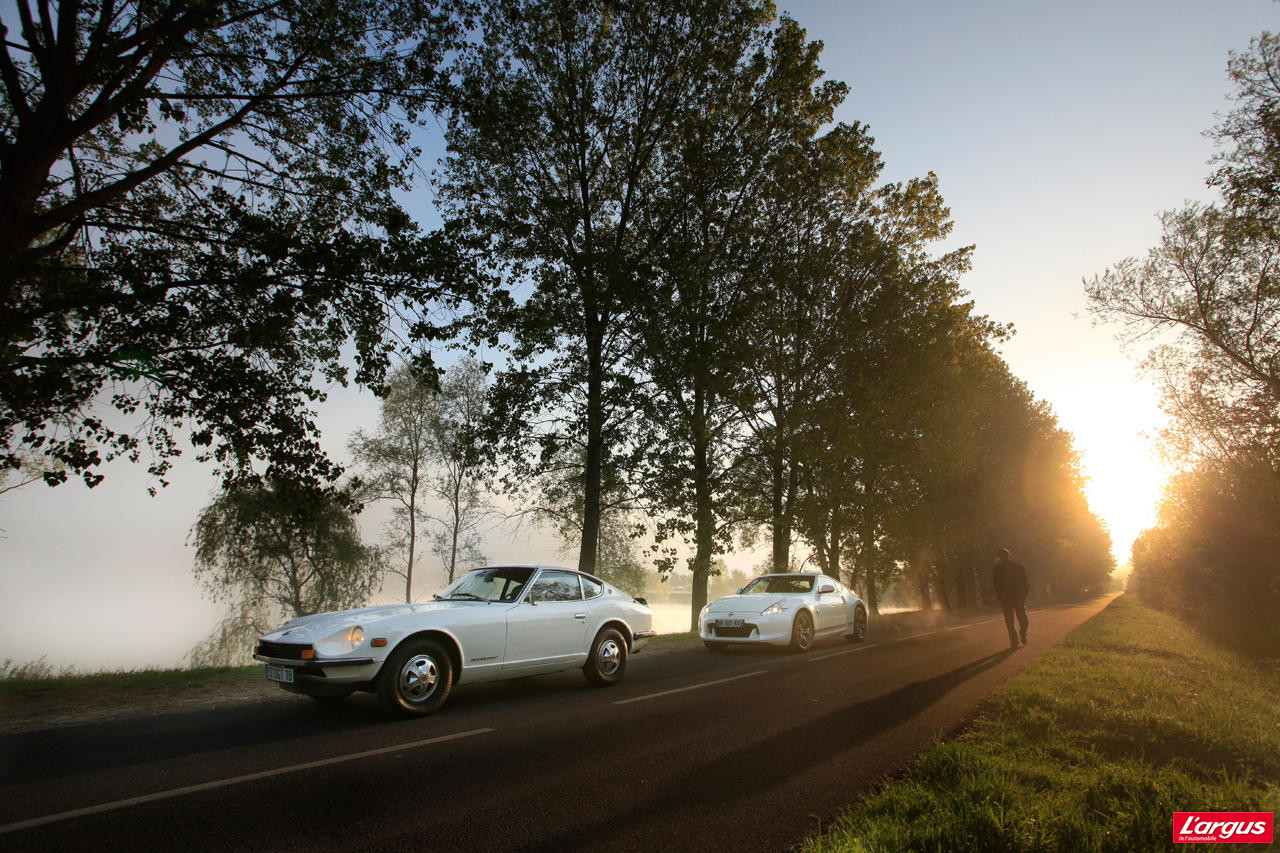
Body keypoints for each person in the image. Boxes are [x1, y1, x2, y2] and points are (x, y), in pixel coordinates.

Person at [993, 547, 1029, 649]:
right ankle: (1016, 638)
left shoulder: (1017, 567)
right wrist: (1001, 594)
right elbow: (996, 584)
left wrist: (1000, 594)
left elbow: (1025, 583)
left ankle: (1017, 637)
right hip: (1013, 597)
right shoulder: (1017, 567)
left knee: (1011, 621)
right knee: (1020, 619)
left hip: (1014, 597)